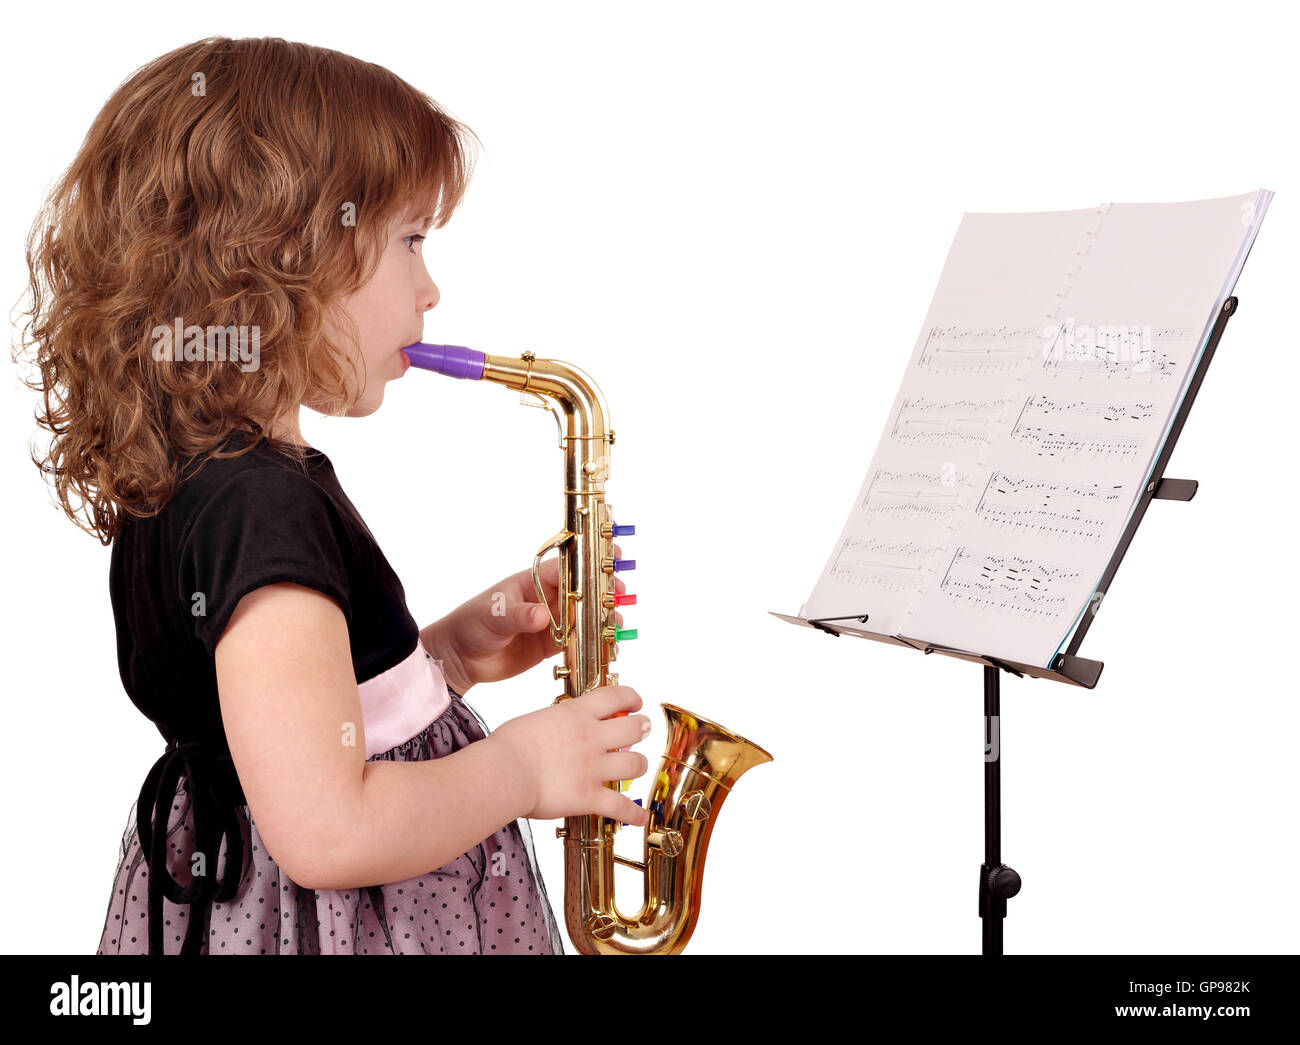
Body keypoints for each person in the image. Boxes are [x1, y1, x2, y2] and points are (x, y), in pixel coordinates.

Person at [15, 35, 651, 955]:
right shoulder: (258, 507)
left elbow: (301, 721)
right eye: (410, 240)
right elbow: (327, 827)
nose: (430, 289)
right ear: (280, 256)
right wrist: (521, 766)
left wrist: (452, 655)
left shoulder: (216, 477)